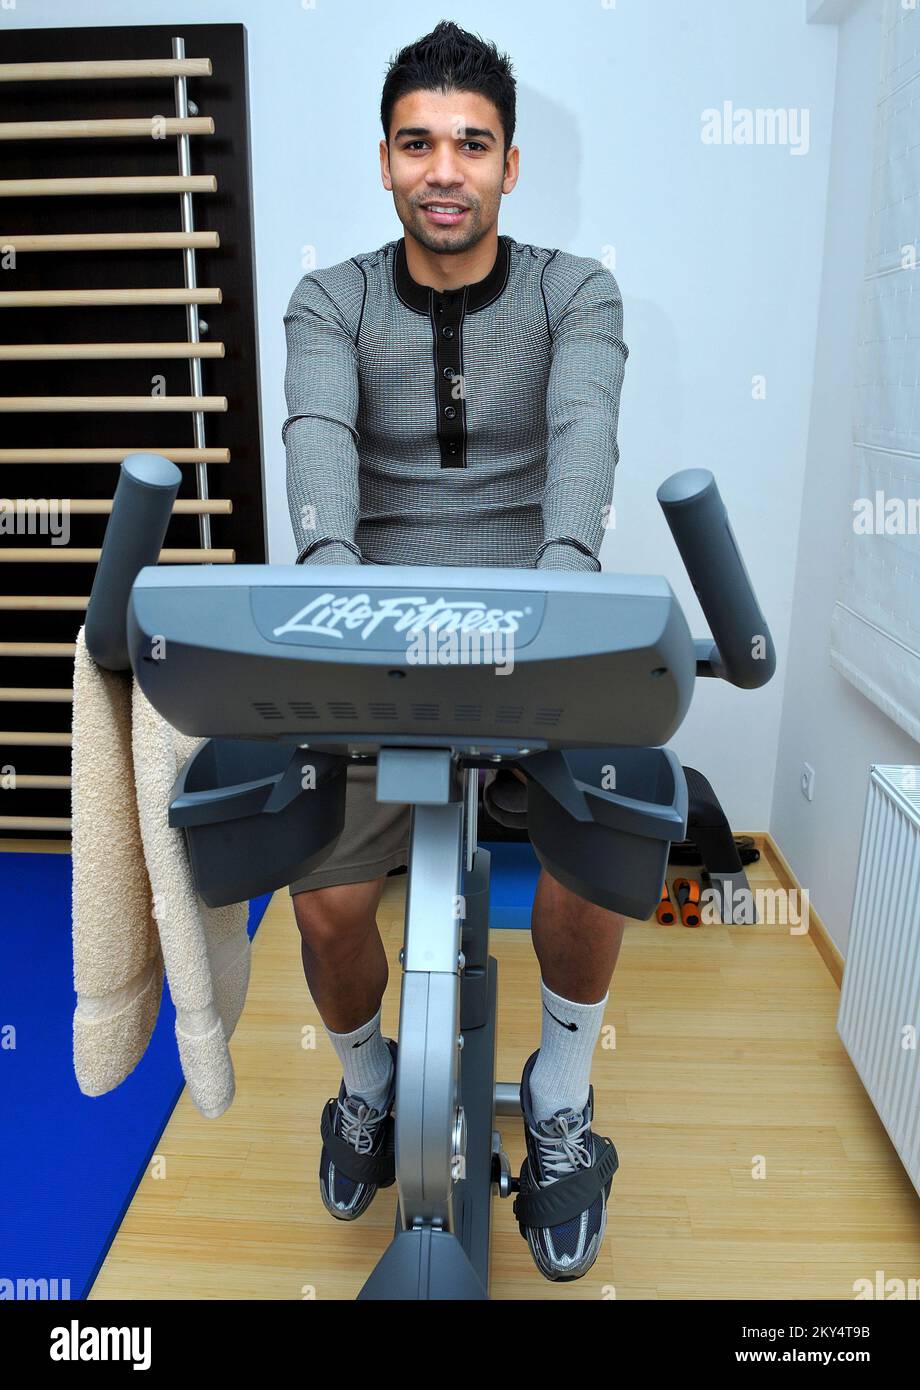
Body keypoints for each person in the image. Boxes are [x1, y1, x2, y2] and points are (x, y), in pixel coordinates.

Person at [282, 19, 628, 1282]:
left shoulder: (572, 291)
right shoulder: (330, 299)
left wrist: (555, 599)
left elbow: (583, 437)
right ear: (383, 161)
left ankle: (558, 1101)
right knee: (321, 902)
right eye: (419, 143)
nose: (445, 169)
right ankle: (368, 1084)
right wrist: (329, 584)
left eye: (470, 145)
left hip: (540, 629)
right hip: (372, 641)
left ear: (509, 166)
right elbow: (316, 441)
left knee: (597, 859)